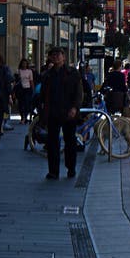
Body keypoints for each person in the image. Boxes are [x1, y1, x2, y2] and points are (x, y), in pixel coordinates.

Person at [40, 47, 84, 180]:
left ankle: (71, 167)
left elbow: (79, 92)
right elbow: (43, 94)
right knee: (52, 142)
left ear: (64, 57)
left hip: (68, 111)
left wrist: (75, 108)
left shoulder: (72, 73)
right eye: (53, 55)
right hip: (53, 112)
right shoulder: (48, 75)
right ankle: (53, 171)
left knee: (70, 141)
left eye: (58, 54)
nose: (56, 57)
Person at [15, 58, 35, 123]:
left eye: (25, 63)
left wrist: (33, 89)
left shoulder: (29, 71)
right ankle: (22, 117)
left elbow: (31, 81)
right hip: (20, 89)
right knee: (20, 104)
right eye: (23, 63)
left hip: (27, 89)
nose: (24, 65)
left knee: (26, 103)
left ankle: (25, 117)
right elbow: (16, 81)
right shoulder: (18, 71)